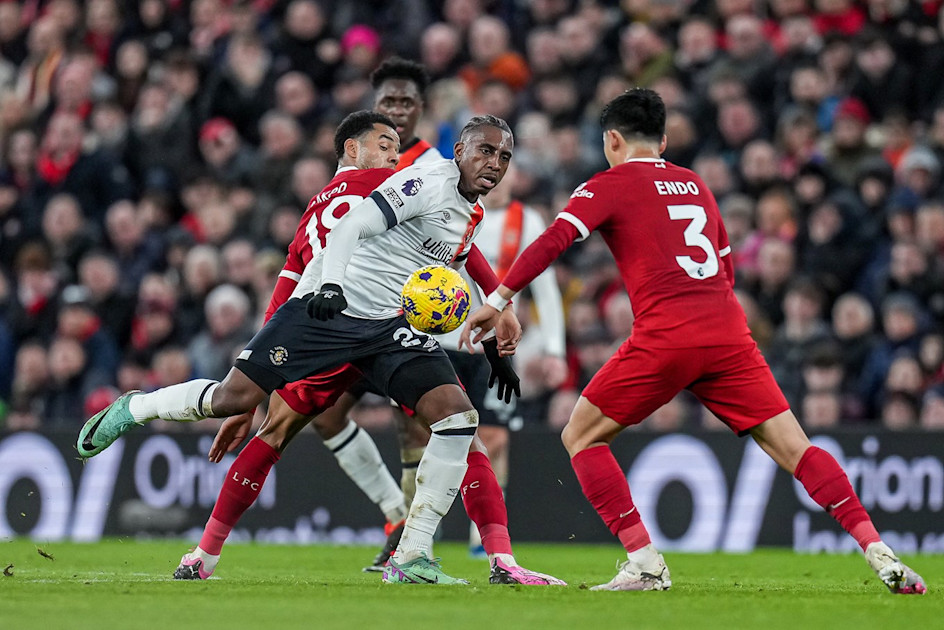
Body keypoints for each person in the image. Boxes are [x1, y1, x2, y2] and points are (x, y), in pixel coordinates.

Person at [460, 88, 927, 595]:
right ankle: (878, 551)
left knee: (581, 436)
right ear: (662, 140)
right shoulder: (696, 184)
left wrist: (500, 296)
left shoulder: (609, 184)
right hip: (728, 332)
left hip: (667, 334)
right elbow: (724, 265)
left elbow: (554, 240)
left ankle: (643, 560)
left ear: (612, 140)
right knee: (797, 449)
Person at [76, 113, 557, 586]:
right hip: (327, 312)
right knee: (233, 400)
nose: (495, 162)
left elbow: (457, 256)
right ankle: (135, 407)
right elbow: (350, 227)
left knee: (457, 417)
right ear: (459, 152)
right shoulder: (421, 181)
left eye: (505, 156)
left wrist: (497, 336)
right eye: (486, 150)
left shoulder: (464, 208)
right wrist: (328, 287)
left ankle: (411, 555)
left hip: (388, 327)